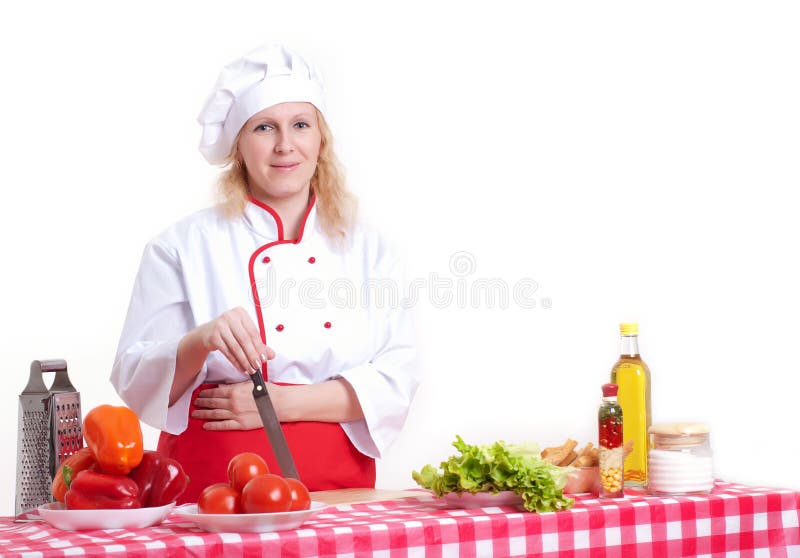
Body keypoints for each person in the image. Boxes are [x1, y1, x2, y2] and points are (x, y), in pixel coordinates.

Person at [111, 43, 419, 504]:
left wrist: (276, 404)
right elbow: (135, 380)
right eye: (264, 127)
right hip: (211, 491)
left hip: (340, 488)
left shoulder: (369, 250)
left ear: (321, 139)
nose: (284, 145)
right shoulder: (181, 247)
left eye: (300, 125)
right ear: (239, 144)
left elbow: (398, 376)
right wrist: (202, 339)